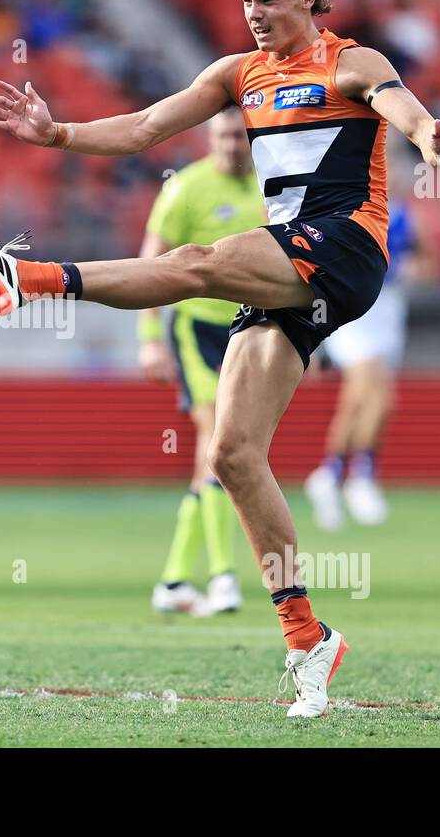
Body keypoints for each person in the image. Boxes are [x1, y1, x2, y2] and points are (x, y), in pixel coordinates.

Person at [0, 0, 440, 716]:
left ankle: (26, 278)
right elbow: (147, 127)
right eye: (246, 0)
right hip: (295, 270)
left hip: (347, 246)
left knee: (199, 261)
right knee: (230, 453)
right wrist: (58, 134)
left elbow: (410, 116)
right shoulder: (237, 74)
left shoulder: (353, 63)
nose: (254, 14)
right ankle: (308, 638)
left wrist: (438, 139)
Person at [140, 106, 265, 617]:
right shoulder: (186, 187)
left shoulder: (272, 187)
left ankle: (172, 582)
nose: (231, 145)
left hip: (250, 328)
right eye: (222, 136)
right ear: (210, 139)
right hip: (195, 327)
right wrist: (149, 336)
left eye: (239, 135)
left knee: (219, 454)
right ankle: (223, 577)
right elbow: (152, 260)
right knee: (218, 443)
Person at [305, 200, 434, 529]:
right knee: (378, 397)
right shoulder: (346, 208)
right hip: (354, 308)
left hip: (387, 311)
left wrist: (410, 268)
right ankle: (361, 475)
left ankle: (330, 475)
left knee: (359, 401)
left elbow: (430, 263)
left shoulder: (404, 217)